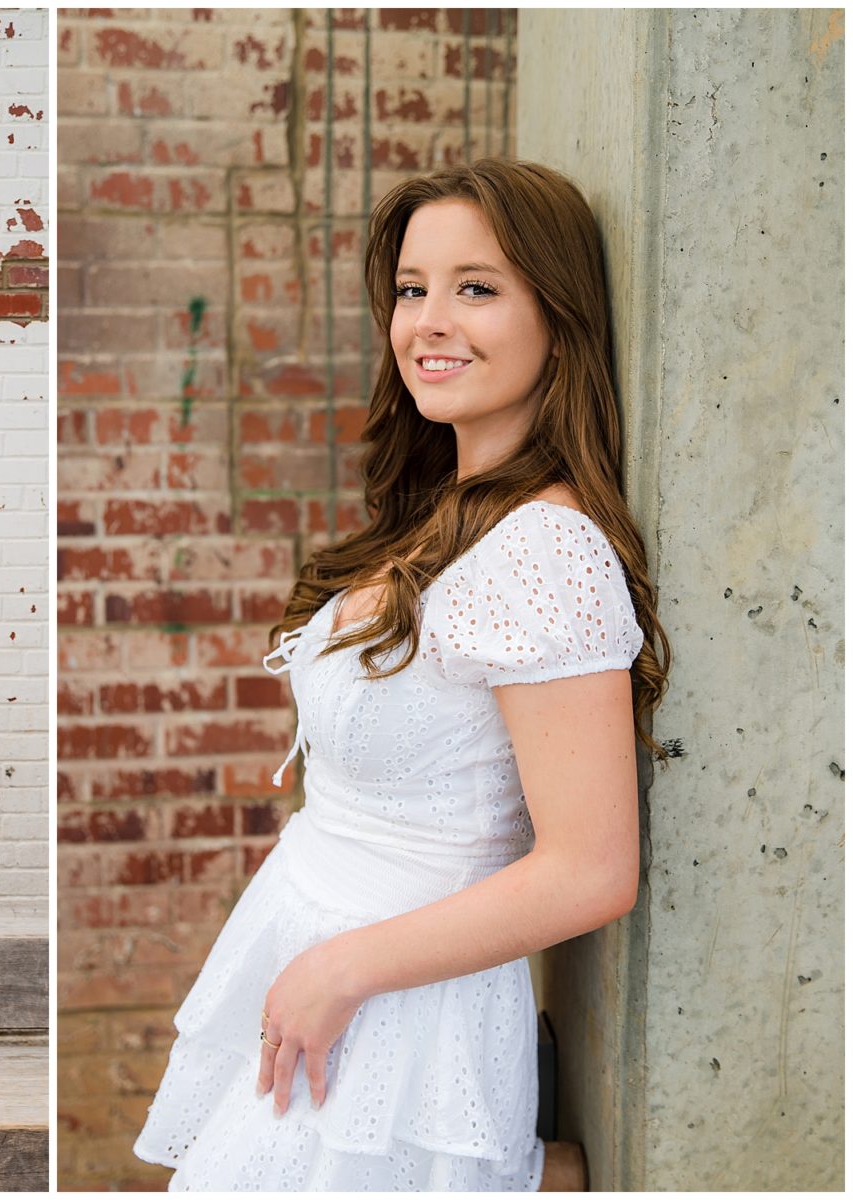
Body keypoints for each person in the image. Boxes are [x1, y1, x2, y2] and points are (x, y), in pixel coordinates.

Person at [132, 158, 672, 1190]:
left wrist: (343, 970)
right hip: (317, 953)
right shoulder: (445, 514)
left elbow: (593, 868)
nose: (429, 319)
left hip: (400, 1009)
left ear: (557, 318)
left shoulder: (545, 550)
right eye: (411, 289)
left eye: (476, 288)